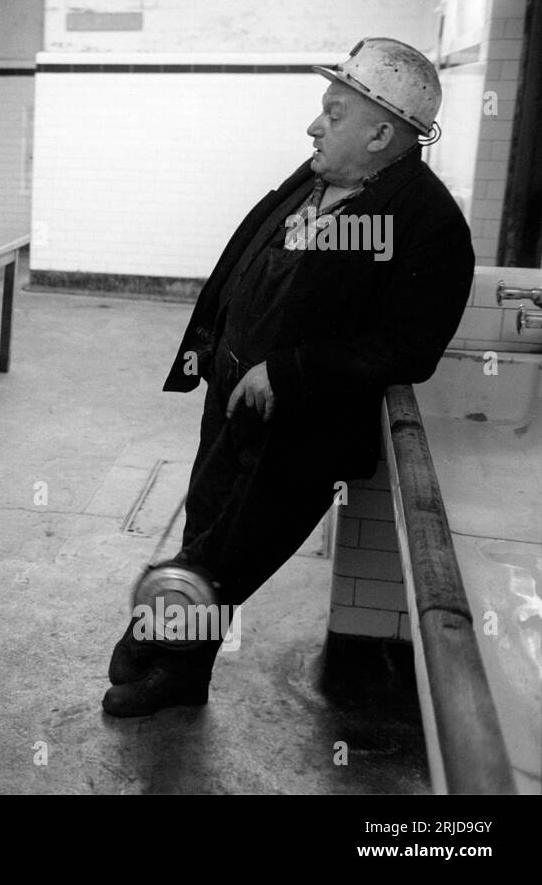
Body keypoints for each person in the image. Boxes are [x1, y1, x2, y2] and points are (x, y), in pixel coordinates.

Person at [101, 38, 475, 717]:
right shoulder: (315, 180)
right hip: (234, 398)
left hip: (301, 427)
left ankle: (173, 667)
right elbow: (254, 262)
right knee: (207, 526)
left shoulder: (429, 225)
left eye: (334, 113)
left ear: (383, 133)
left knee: (233, 555)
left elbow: (409, 346)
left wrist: (294, 370)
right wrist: (215, 350)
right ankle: (165, 640)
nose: (315, 124)